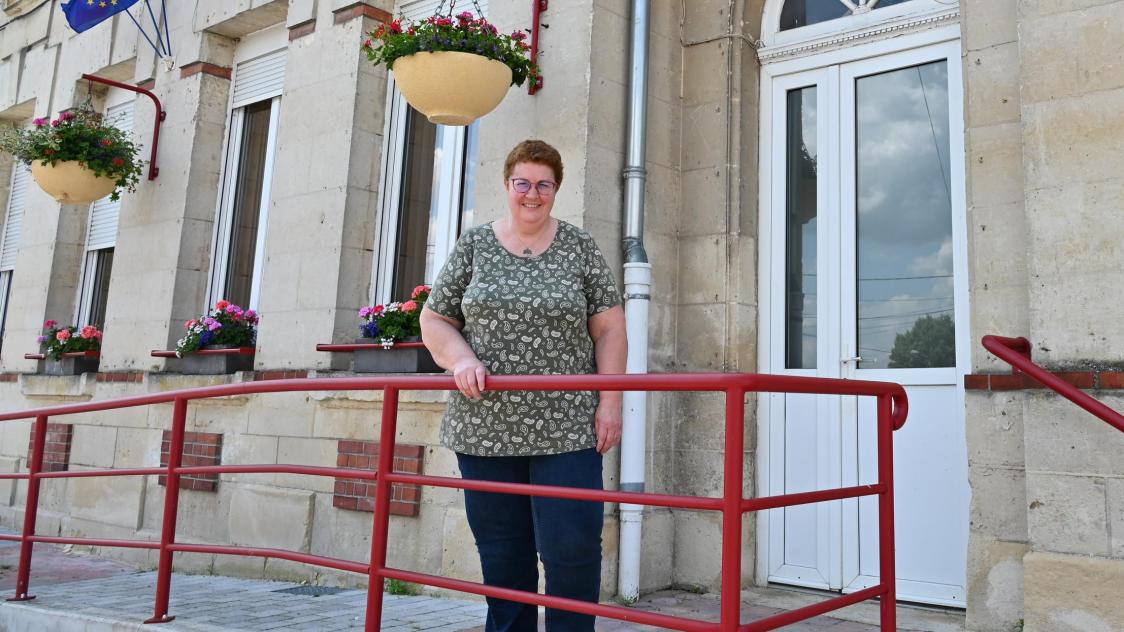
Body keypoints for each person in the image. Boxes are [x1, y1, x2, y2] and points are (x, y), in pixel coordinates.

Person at [420, 139, 628, 632]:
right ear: (507, 184)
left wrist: (611, 401)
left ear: (556, 189)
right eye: (523, 183)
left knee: (573, 546)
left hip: (568, 425)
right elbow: (435, 319)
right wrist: (461, 358)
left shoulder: (579, 247)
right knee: (502, 554)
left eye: (544, 185)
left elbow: (610, 329)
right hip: (486, 427)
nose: (532, 194)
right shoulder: (474, 244)